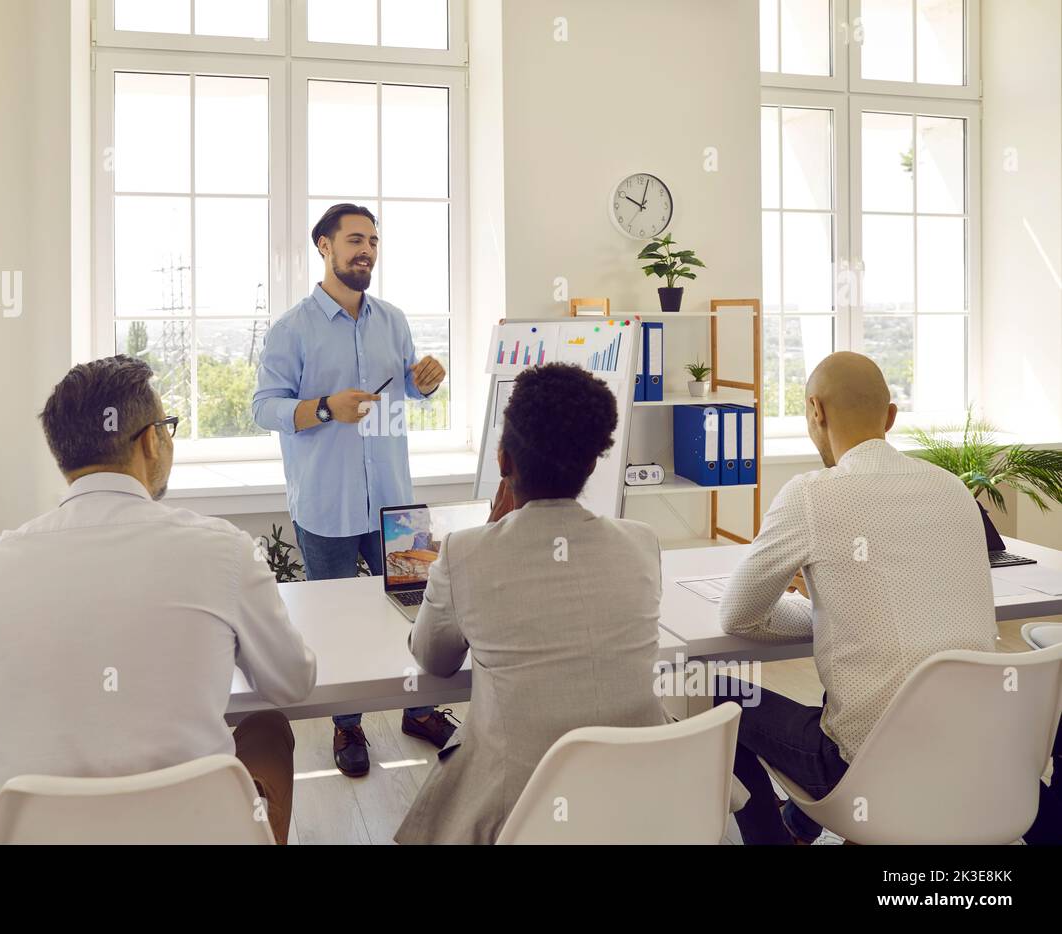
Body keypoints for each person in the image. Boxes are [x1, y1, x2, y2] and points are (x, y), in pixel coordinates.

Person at [0, 357, 316, 844]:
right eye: (167, 427)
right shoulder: (221, 550)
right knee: (267, 728)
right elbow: (293, 682)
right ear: (149, 441)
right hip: (197, 835)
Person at [717, 351, 998, 844]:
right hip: (977, 758)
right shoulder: (953, 490)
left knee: (717, 692)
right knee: (856, 694)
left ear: (815, 411)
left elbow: (739, 614)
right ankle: (805, 824)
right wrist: (841, 611)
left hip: (870, 771)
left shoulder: (811, 494)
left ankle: (777, 838)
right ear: (891, 417)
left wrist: (819, 613)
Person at [394, 364, 666, 844]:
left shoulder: (466, 551)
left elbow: (433, 661)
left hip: (519, 810)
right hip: (642, 799)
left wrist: (491, 529)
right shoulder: (641, 542)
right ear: (591, 462)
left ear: (503, 460)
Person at [252, 202, 454, 778]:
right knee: (336, 623)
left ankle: (420, 710)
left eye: (373, 241)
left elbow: (409, 389)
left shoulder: (393, 320)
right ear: (324, 246)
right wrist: (323, 407)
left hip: (397, 502)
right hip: (327, 503)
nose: (366, 250)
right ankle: (348, 728)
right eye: (354, 240)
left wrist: (425, 383)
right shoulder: (291, 329)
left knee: (420, 613)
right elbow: (264, 407)